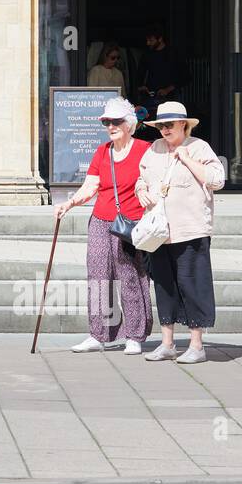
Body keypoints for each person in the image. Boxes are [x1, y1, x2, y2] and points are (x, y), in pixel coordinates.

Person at [54, 96, 153, 355]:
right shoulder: (102, 152)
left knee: (130, 276)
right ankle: (97, 334)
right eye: (107, 122)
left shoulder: (145, 150)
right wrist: (70, 203)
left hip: (131, 223)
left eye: (116, 121)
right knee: (97, 277)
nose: (111, 126)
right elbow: (91, 186)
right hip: (100, 220)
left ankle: (134, 334)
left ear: (129, 124)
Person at [135, 102, 226, 365]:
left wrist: (186, 158)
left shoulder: (199, 147)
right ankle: (167, 343)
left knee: (192, 285)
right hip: (159, 232)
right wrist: (141, 191)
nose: (164, 130)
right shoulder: (153, 149)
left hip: (190, 229)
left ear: (183, 125)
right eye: (161, 125)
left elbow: (217, 180)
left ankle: (196, 345)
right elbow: (141, 178)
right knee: (164, 286)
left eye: (169, 125)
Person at [137, 24, 185, 118]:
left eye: (151, 40)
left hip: (170, 99)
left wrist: (167, 90)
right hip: (150, 98)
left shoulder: (173, 54)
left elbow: (184, 76)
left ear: (160, 39)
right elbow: (139, 75)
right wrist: (141, 87)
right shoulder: (147, 55)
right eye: (147, 40)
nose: (148, 43)